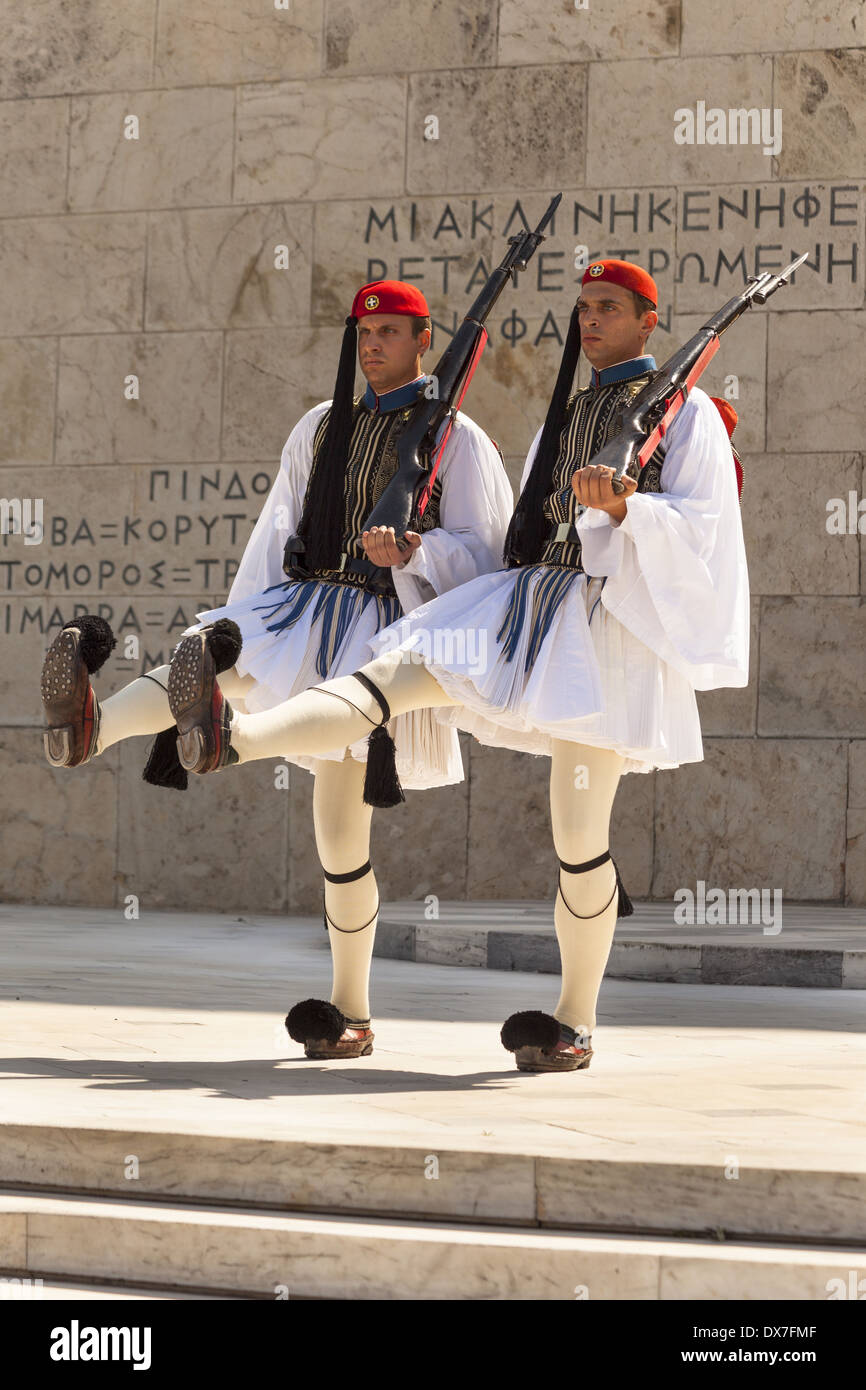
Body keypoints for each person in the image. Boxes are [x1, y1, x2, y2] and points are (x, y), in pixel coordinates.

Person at [159, 258, 750, 1075]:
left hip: (605, 631)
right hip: (525, 602)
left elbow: (706, 528)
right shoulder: (572, 411)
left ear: (650, 322)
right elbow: (524, 524)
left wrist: (626, 507)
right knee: (388, 673)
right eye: (582, 309)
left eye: (608, 309)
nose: (590, 322)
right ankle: (235, 739)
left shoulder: (687, 419)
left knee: (578, 836)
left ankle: (573, 1022)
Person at [40, 279, 513, 1059]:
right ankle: (92, 728)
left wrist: (418, 550)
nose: (372, 346)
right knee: (200, 662)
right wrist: (239, 623)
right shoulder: (322, 425)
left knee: (338, 840)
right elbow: (276, 530)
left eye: (390, 333)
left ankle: (350, 1010)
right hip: (302, 604)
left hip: (380, 628)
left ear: (425, 341)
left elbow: (486, 553)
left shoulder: (459, 437)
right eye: (364, 334)